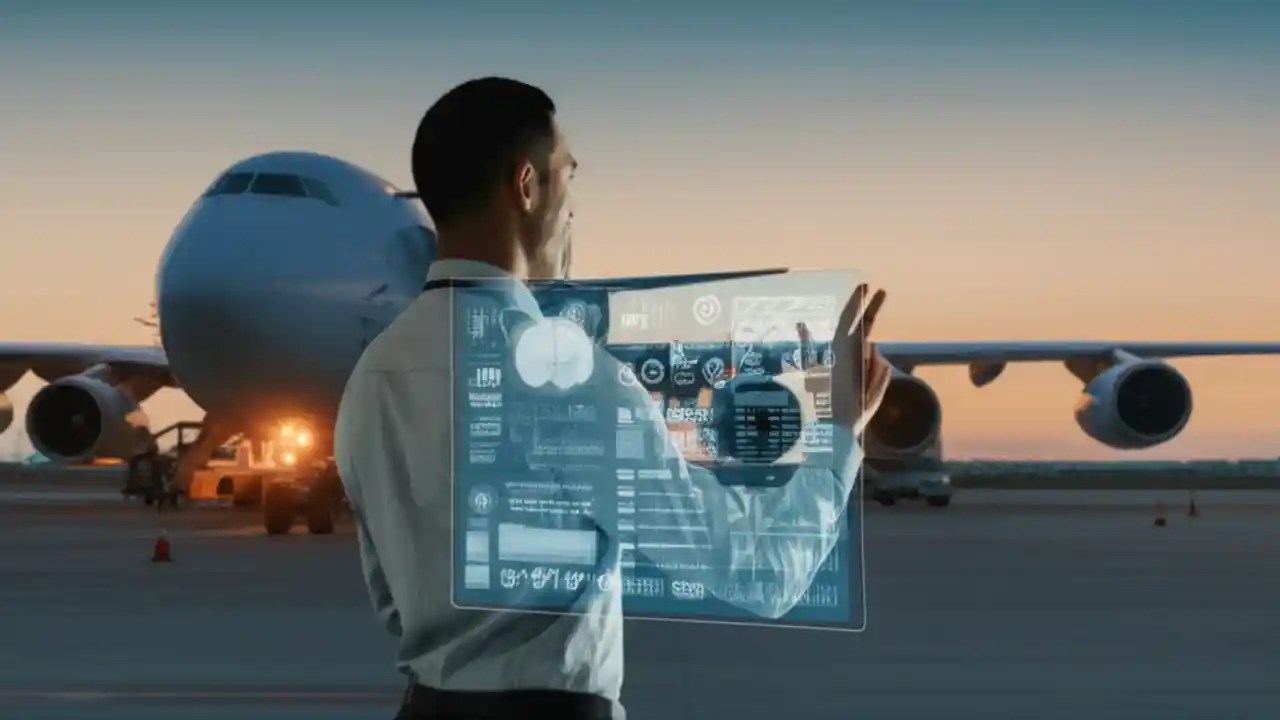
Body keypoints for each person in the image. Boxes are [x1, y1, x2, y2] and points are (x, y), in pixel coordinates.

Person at [333, 77, 893, 720]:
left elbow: (390, 602)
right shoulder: (564, 374)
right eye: (568, 176)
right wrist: (839, 434)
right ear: (526, 186)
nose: (572, 207)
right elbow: (760, 576)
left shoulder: (368, 379)